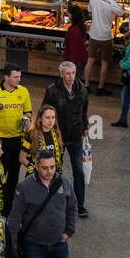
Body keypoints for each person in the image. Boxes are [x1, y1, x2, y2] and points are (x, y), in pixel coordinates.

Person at [7, 150, 77, 258]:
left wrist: (69, 231)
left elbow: (72, 207)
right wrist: (12, 243)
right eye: (45, 168)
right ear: (37, 166)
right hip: (34, 244)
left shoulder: (64, 183)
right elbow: (15, 216)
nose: (49, 171)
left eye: (52, 167)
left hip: (59, 242)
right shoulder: (25, 187)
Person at [0, 66, 32, 213]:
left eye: (19, 76)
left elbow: (28, 112)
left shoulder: (23, 92)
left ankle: (9, 205)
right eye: (16, 77)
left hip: (17, 140)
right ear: (6, 77)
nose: (19, 80)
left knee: (14, 175)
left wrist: (27, 119)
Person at [43, 61, 90, 217]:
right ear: (61, 74)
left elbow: (84, 110)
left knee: (79, 171)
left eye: (73, 73)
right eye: (68, 73)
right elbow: (45, 112)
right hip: (58, 136)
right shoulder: (52, 91)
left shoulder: (81, 89)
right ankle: (54, 201)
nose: (71, 77)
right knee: (55, 170)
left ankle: (80, 204)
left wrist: (85, 126)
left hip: (76, 135)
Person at [85, 0, 123, 95]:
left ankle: (86, 85)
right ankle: (100, 88)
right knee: (104, 63)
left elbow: (90, 12)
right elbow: (121, 13)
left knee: (90, 60)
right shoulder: (112, 3)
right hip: (106, 36)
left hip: (93, 33)